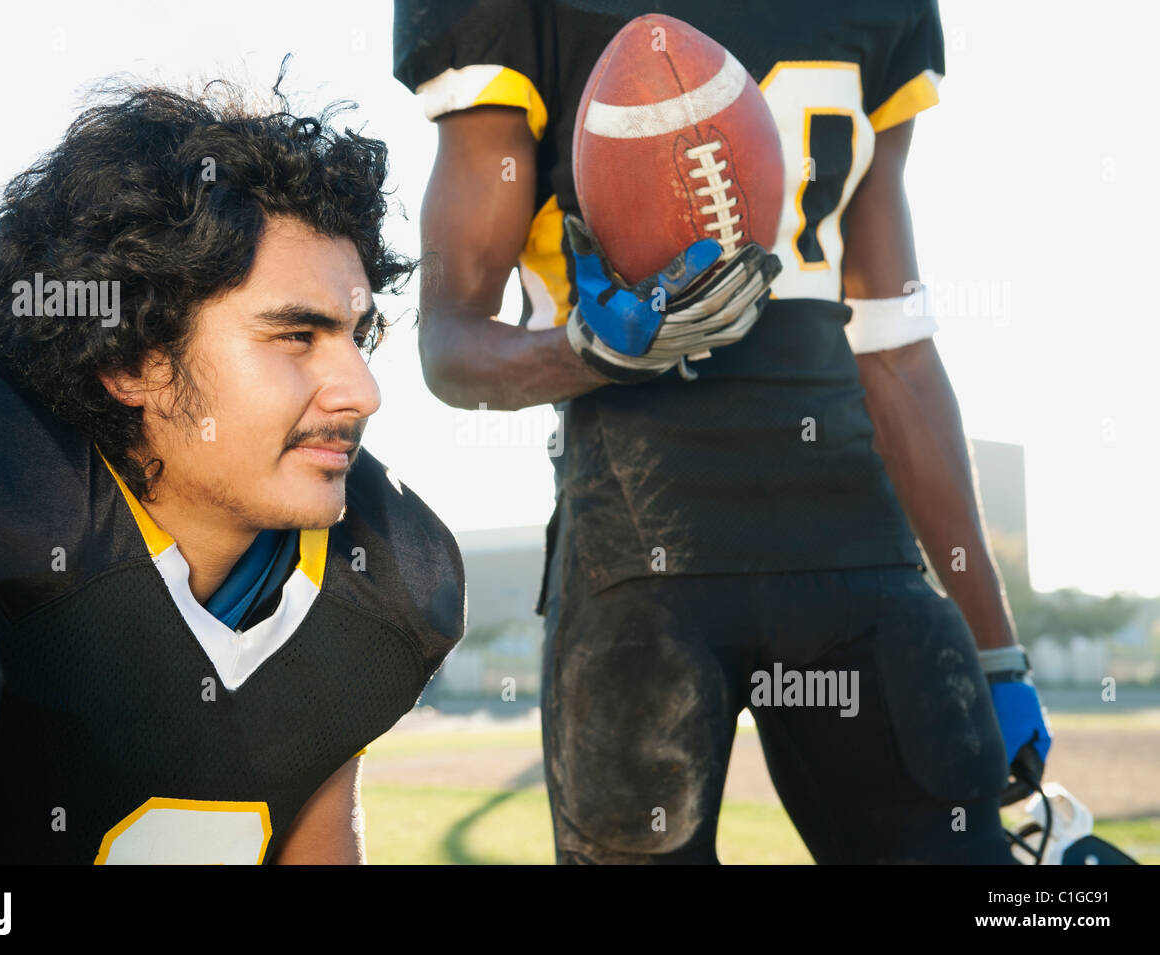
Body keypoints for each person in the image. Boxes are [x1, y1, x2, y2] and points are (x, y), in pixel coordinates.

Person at [395, 0, 1049, 863]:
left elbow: (894, 349)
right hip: (638, 563)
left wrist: (997, 648)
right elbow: (450, 341)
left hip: (855, 554)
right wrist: (591, 351)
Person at [0, 78, 464, 864]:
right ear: (128, 358)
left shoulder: (384, 582)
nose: (363, 391)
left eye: (359, 334)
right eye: (295, 336)